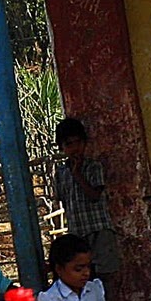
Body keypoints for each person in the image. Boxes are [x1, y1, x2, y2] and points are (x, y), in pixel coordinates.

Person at [52, 119, 120, 278]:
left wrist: (77, 175)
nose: (75, 149)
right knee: (82, 277)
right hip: (78, 233)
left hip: (99, 230)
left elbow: (95, 196)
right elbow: (62, 200)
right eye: (69, 144)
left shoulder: (93, 166)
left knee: (105, 277)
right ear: (62, 147)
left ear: (85, 143)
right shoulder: (61, 172)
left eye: (78, 143)